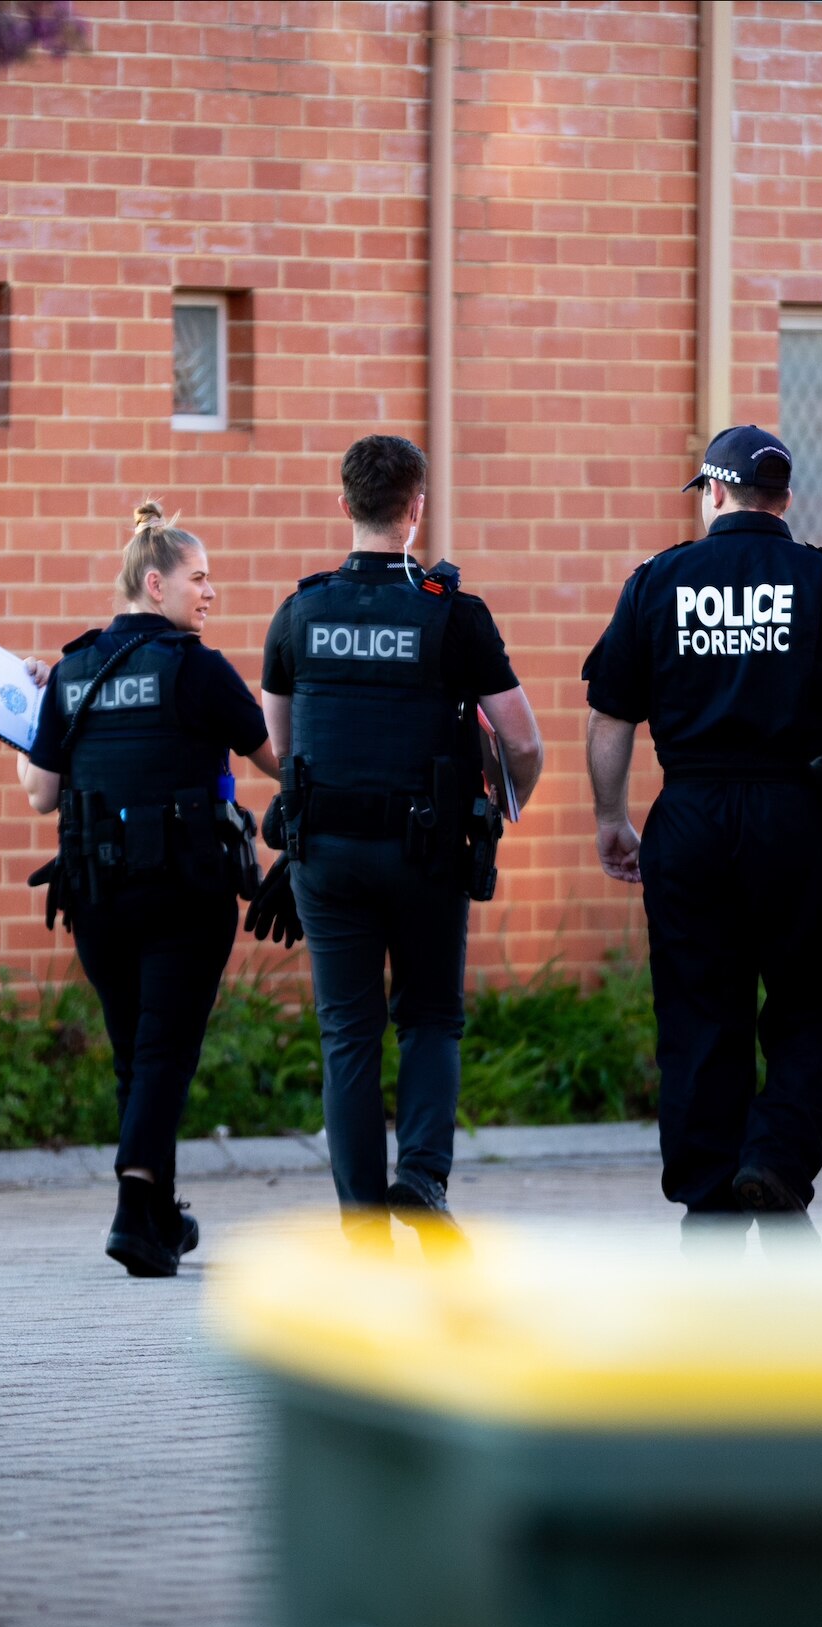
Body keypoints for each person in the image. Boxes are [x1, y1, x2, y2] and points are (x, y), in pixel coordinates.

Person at [582, 425, 822, 1236]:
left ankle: (710, 1202)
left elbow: (610, 719)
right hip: (794, 820)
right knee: (813, 1009)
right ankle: (773, 1161)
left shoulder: (658, 581)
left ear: (714, 493)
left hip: (689, 818)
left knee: (700, 1014)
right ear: (786, 498)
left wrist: (610, 818)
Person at [257, 436, 544, 1225]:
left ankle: (362, 1225)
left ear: (344, 504)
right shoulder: (453, 614)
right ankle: (421, 1178)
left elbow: (280, 746)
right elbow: (521, 740)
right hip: (424, 852)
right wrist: (502, 805)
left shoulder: (300, 610)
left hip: (327, 856)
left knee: (348, 1034)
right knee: (428, 1018)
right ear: (414, 510)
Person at [16, 500, 278, 1279]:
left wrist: (33, 708)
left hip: (95, 894)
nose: (211, 593)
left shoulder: (72, 669)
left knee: (138, 1052)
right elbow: (274, 757)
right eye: (200, 579)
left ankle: (159, 1214)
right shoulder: (196, 667)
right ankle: (135, 1207)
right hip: (185, 891)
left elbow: (38, 793)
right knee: (164, 1049)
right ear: (155, 582)